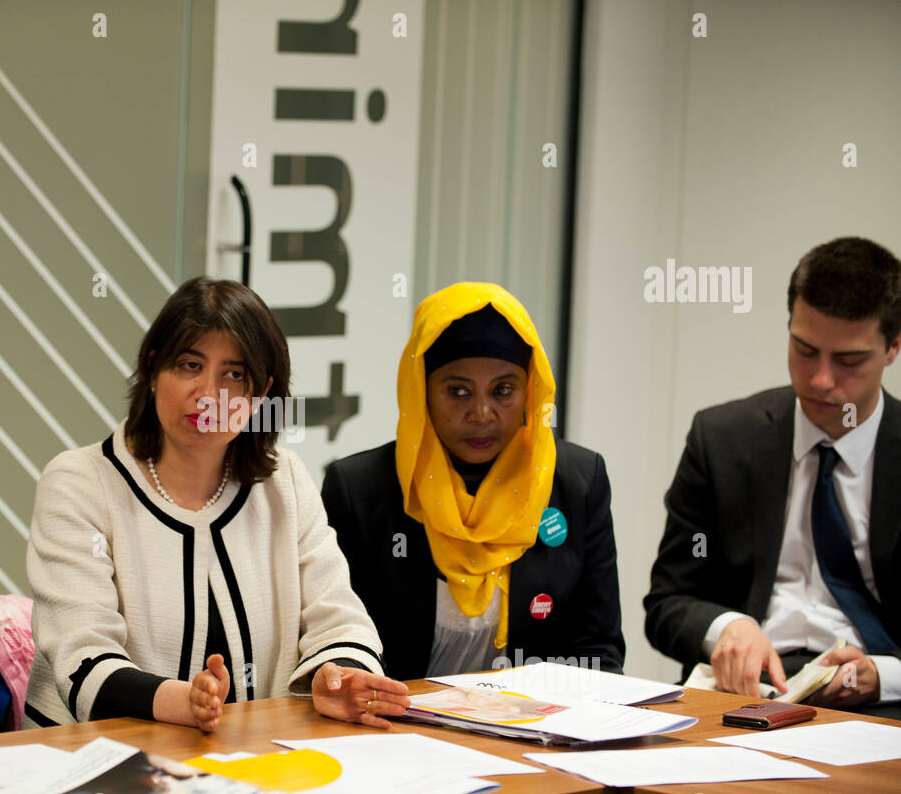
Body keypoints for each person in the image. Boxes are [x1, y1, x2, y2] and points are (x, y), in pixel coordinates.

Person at [23, 276, 409, 731]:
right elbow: (79, 651)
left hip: (253, 760)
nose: (208, 395)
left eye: (233, 375)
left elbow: (338, 613)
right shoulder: (79, 482)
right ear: (152, 369)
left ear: (261, 392)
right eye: (189, 365)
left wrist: (338, 675)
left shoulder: (284, 480)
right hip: (93, 762)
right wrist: (182, 701)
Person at [645, 236, 901, 719]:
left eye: (848, 361)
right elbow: (667, 603)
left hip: (883, 707)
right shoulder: (722, 439)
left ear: (893, 347)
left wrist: (883, 675)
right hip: (739, 699)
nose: (821, 380)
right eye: (804, 350)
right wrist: (728, 627)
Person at [321, 282, 624, 683]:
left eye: (503, 390)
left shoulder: (577, 483)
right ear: (421, 392)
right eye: (458, 391)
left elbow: (599, 654)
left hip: (535, 728)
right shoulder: (359, 490)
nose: (482, 413)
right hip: (394, 728)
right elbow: (332, 646)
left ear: (529, 391)